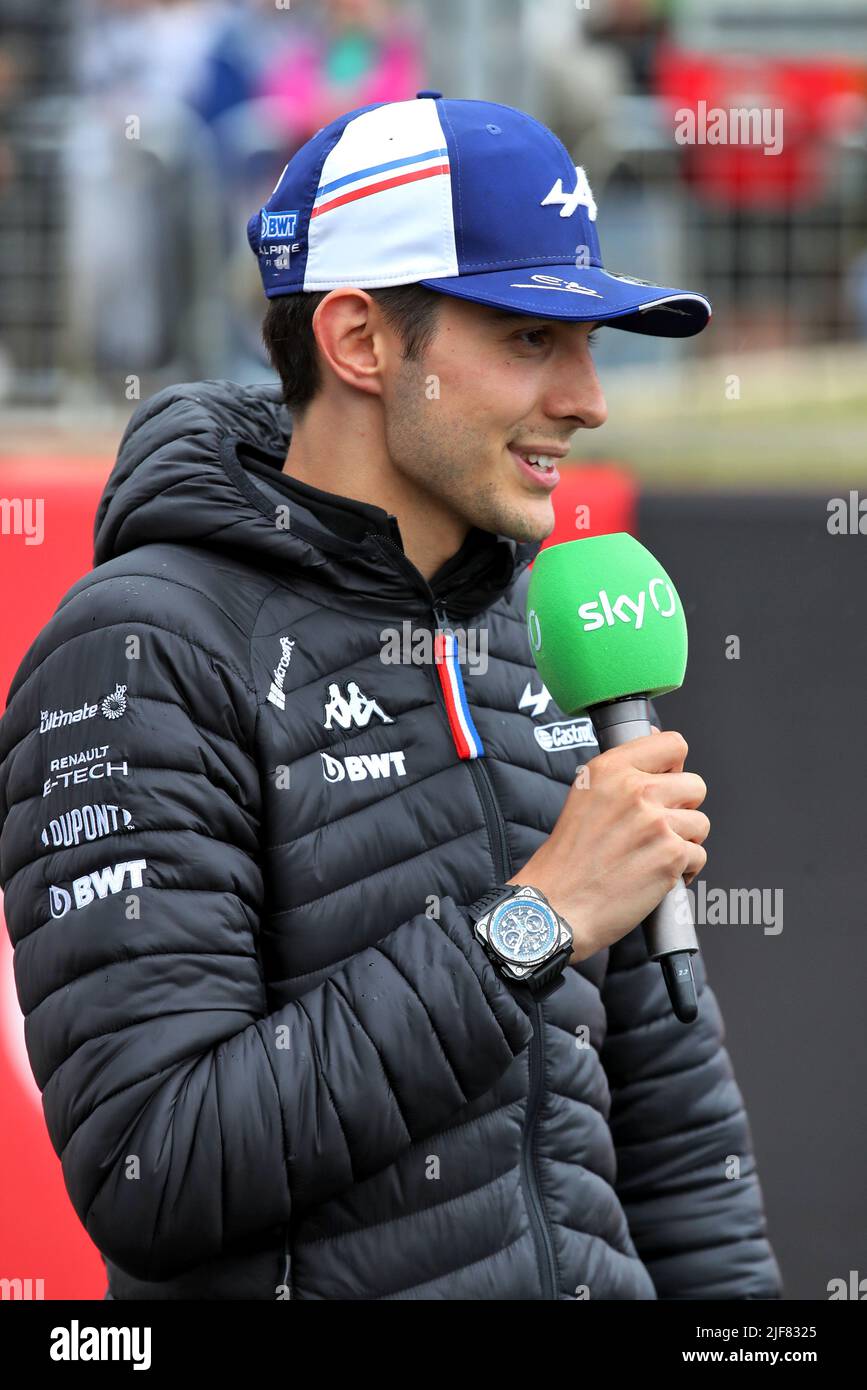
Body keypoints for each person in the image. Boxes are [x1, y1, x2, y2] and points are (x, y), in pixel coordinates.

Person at [0, 93, 783, 1301]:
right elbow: (153, 1164)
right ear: (361, 341)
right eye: (532, 338)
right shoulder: (140, 647)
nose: (589, 398)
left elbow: (680, 1148)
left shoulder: (550, 633)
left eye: (590, 343)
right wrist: (528, 924)